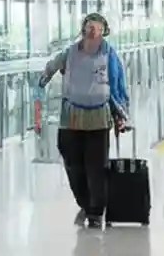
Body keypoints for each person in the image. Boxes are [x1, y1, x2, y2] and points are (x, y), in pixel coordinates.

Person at [34, 13, 130, 229]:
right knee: (73, 163)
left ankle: (96, 211)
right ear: (83, 30)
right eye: (88, 28)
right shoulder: (70, 53)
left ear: (104, 31)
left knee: (96, 166)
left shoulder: (109, 55)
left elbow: (117, 86)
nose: (92, 32)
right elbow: (51, 67)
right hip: (71, 118)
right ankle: (85, 203)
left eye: (97, 29)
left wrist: (121, 115)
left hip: (99, 118)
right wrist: (41, 83)